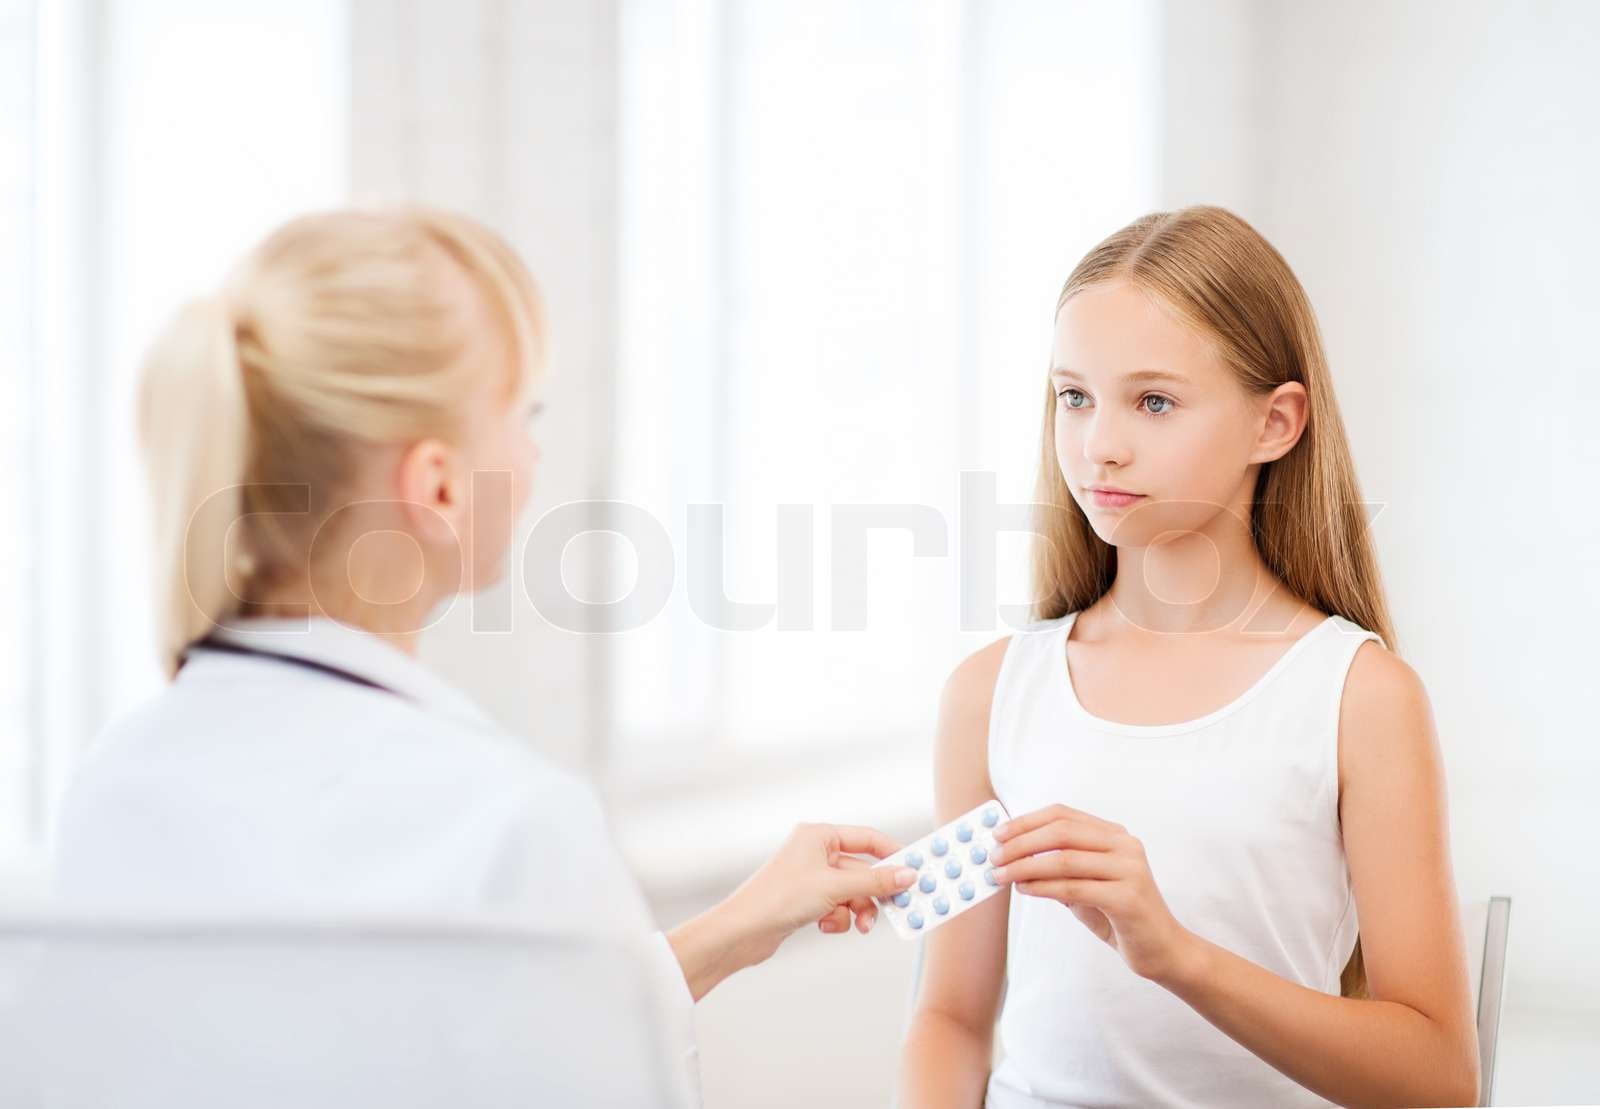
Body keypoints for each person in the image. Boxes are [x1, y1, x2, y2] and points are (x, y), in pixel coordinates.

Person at [49, 206, 918, 1105]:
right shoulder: (510, 824)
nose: (534, 450)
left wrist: (728, 931)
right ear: (439, 485)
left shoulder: (111, 784)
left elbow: (358, 1043)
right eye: (523, 412)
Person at [897, 207, 1480, 1107]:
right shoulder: (989, 695)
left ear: (1275, 424)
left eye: (1155, 401)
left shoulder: (1358, 699)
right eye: (1074, 396)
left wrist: (1176, 956)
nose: (1101, 444)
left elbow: (1437, 1076)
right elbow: (951, 1019)